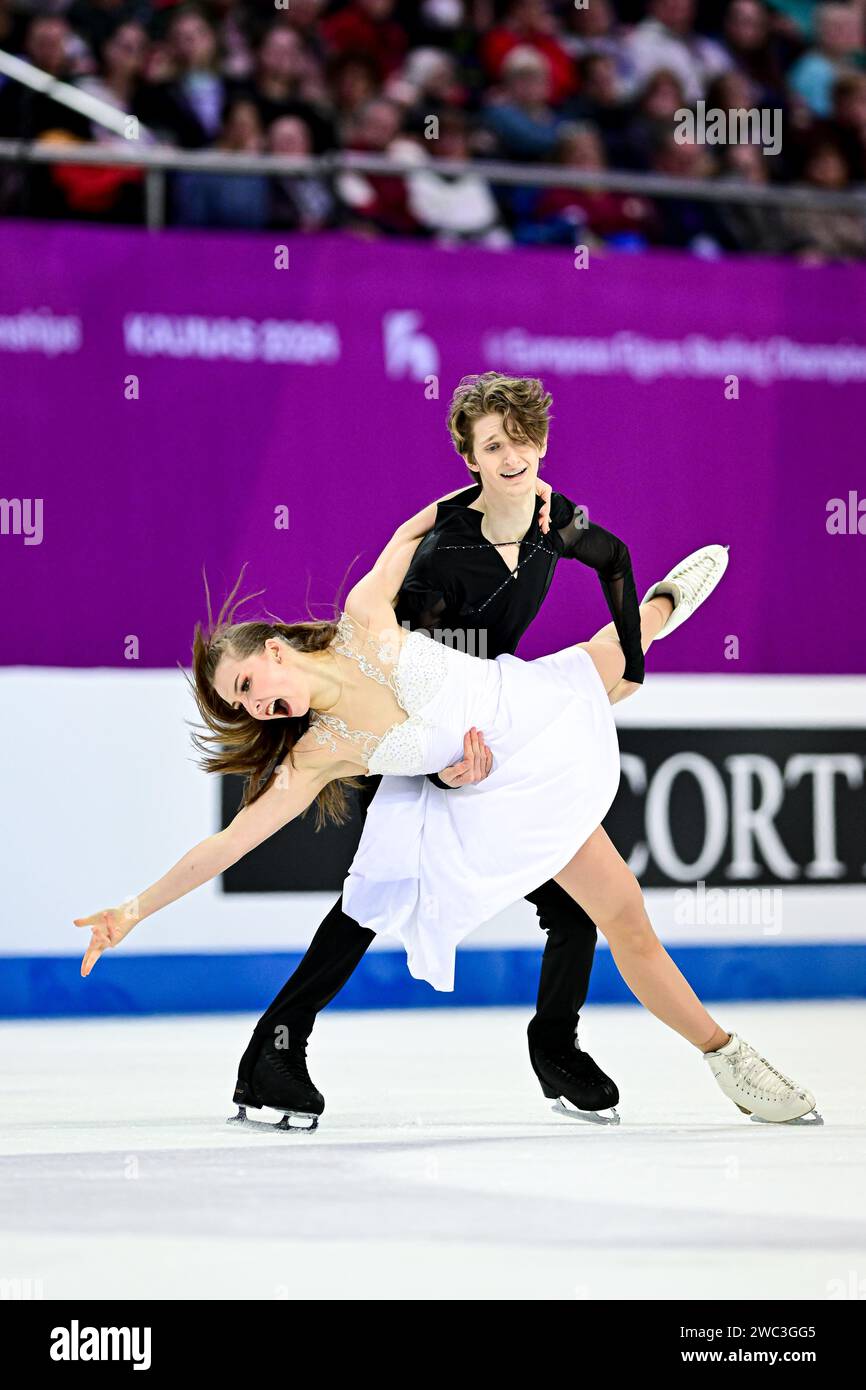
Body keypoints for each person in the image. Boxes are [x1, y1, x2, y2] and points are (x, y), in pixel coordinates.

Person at [74, 379, 819, 1133]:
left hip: (525, 707)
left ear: (272, 650)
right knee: (428, 895)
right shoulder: (323, 751)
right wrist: (133, 910)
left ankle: (662, 602)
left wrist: (507, 487)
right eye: (241, 708)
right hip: (485, 789)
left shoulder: (365, 618)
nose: (254, 708)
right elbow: (230, 843)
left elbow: (415, 527)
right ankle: (725, 1055)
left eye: (245, 686)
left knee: (618, 681)